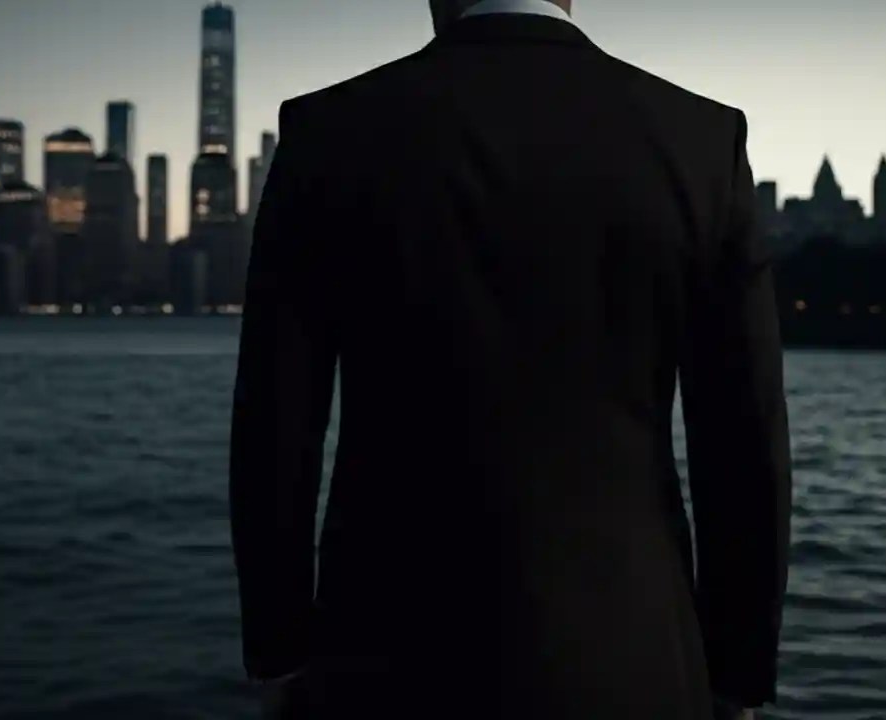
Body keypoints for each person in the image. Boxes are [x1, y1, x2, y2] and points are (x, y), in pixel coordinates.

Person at [228, 0, 793, 718]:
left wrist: (280, 653)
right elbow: (745, 445)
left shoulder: (329, 132)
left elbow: (276, 428)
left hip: (381, 653)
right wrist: (738, 674)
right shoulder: (700, 139)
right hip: (634, 653)